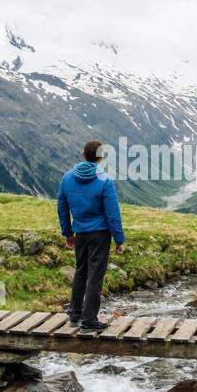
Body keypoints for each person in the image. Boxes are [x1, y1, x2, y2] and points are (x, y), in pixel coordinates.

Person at [56, 139, 125, 331]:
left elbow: (62, 207)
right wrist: (119, 240)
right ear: (101, 157)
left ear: (83, 154)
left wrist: (68, 233)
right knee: (95, 276)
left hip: (81, 233)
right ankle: (89, 320)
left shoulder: (67, 177)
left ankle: (74, 315)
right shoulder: (104, 180)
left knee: (80, 271)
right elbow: (112, 214)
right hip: (100, 234)